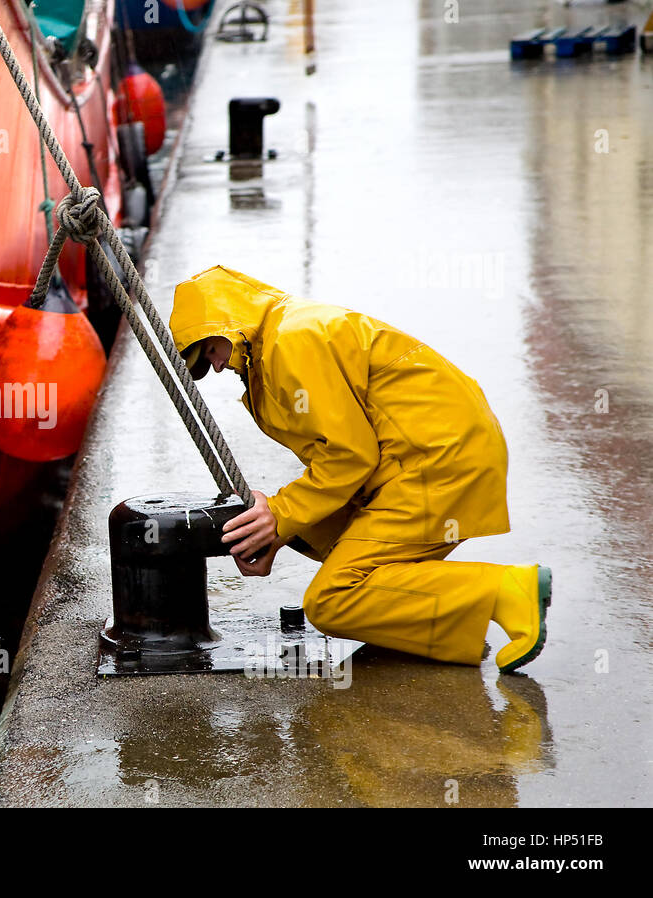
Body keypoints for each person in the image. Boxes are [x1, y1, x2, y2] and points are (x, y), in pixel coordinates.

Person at [169, 265, 549, 673]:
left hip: (434, 462)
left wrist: (278, 514)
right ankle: (440, 625)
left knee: (333, 599)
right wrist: (276, 535)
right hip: (432, 452)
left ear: (228, 324)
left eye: (211, 351)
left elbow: (350, 456)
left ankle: (505, 592)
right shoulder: (283, 336)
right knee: (319, 534)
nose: (219, 367)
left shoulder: (291, 342)